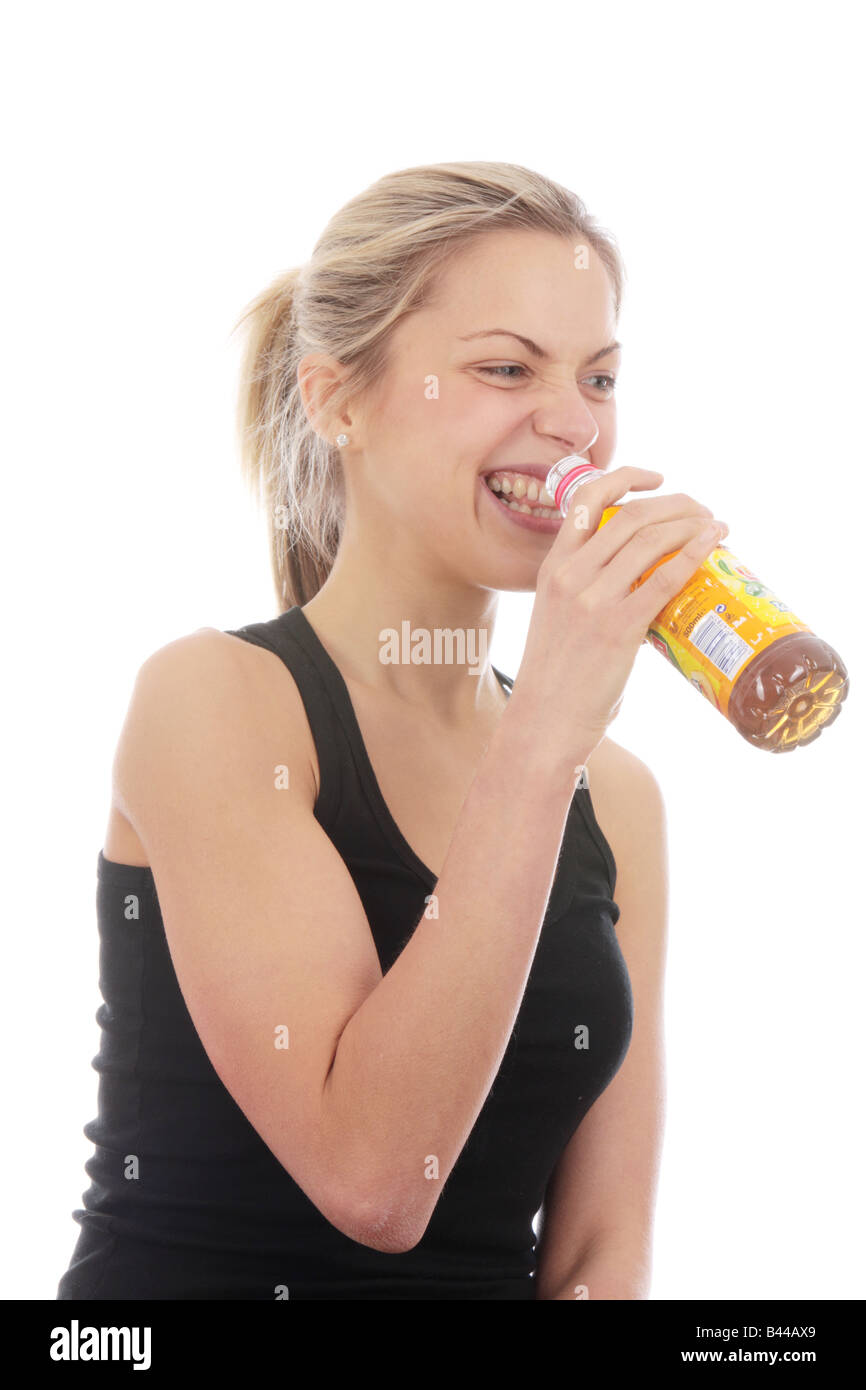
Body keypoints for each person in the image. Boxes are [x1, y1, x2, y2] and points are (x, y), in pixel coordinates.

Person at [56, 161, 727, 1301]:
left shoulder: (614, 796)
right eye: (504, 368)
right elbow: (373, 1181)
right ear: (338, 401)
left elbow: (591, 1260)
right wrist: (540, 740)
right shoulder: (213, 702)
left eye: (598, 376)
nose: (571, 424)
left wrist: (552, 739)